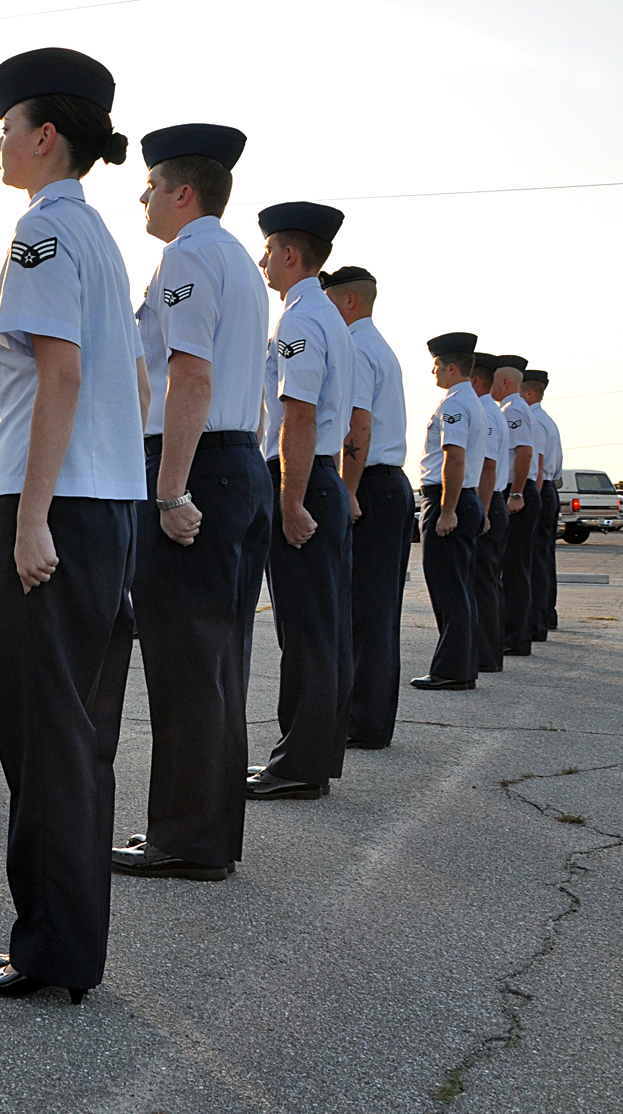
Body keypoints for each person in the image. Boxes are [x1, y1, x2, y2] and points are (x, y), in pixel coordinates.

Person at [0, 47, 142, 1005]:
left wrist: (31, 518)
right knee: (76, 734)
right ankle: (69, 945)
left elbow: (59, 373)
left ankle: (48, 950)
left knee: (41, 736)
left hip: (50, 504)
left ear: (43, 138)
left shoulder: (40, 232)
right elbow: (132, 381)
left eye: (6, 127)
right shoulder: (99, 237)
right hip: (103, 501)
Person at [116, 123, 270, 882]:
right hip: (238, 461)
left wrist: (171, 488)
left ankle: (183, 838)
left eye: (150, 186)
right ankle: (210, 835)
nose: (141, 197)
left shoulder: (187, 255)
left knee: (184, 664)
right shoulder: (238, 258)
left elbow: (191, 377)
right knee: (218, 663)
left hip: (198, 465)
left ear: (182, 192)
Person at [249, 202, 355, 800]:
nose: (263, 259)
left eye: (269, 250)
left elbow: (300, 415)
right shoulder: (325, 315)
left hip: (303, 480)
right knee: (321, 628)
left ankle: (298, 766)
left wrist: (291, 503)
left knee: (307, 630)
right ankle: (309, 758)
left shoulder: (300, 319)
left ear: (290, 254)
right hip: (319, 478)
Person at [324, 266, 412, 749]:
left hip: (369, 486)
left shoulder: (356, 347)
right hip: (387, 485)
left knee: (364, 611)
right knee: (378, 610)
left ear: (349, 301)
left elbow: (358, 425)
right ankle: (370, 719)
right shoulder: (379, 345)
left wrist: (348, 491)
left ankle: (362, 722)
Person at [411, 333, 488, 690]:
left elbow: (454, 459)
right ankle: (462, 666)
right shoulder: (473, 402)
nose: (434, 372)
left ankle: (452, 670)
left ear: (452, 368)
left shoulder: (455, 404)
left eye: (438, 366)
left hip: (448, 498)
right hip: (464, 497)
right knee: (460, 588)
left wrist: (447, 510)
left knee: (449, 589)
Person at [495, 354, 539, 658]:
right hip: (518, 490)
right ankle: (513, 634)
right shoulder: (515, 408)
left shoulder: (513, 409)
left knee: (514, 568)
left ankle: (515, 637)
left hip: (517, 492)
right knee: (513, 567)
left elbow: (524, 453)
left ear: (505, 382)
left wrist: (517, 493)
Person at [469, 352, 508, 675]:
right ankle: (486, 652)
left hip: (487, 499)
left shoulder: (486, 412)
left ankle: (485, 654)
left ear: (474, 380)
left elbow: (488, 466)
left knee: (482, 582)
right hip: (489, 498)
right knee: (485, 581)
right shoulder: (490, 410)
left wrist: (481, 512)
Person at [522, 369, 561, 639]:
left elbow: (536, 462)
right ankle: (546, 613)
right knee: (544, 557)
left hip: (538, 488)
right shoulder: (546, 419)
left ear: (528, 393)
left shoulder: (533, 421)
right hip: (549, 489)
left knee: (534, 558)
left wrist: (530, 498)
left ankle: (537, 618)